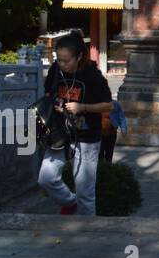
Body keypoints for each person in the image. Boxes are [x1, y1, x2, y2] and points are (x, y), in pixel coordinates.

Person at [37, 30, 113, 216]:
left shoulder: (92, 75)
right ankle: (70, 203)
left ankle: (87, 233)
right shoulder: (56, 70)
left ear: (79, 57)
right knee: (46, 178)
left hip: (86, 137)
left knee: (85, 192)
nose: (62, 64)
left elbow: (109, 105)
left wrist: (82, 107)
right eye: (59, 59)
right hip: (59, 134)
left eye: (66, 60)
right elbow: (49, 93)